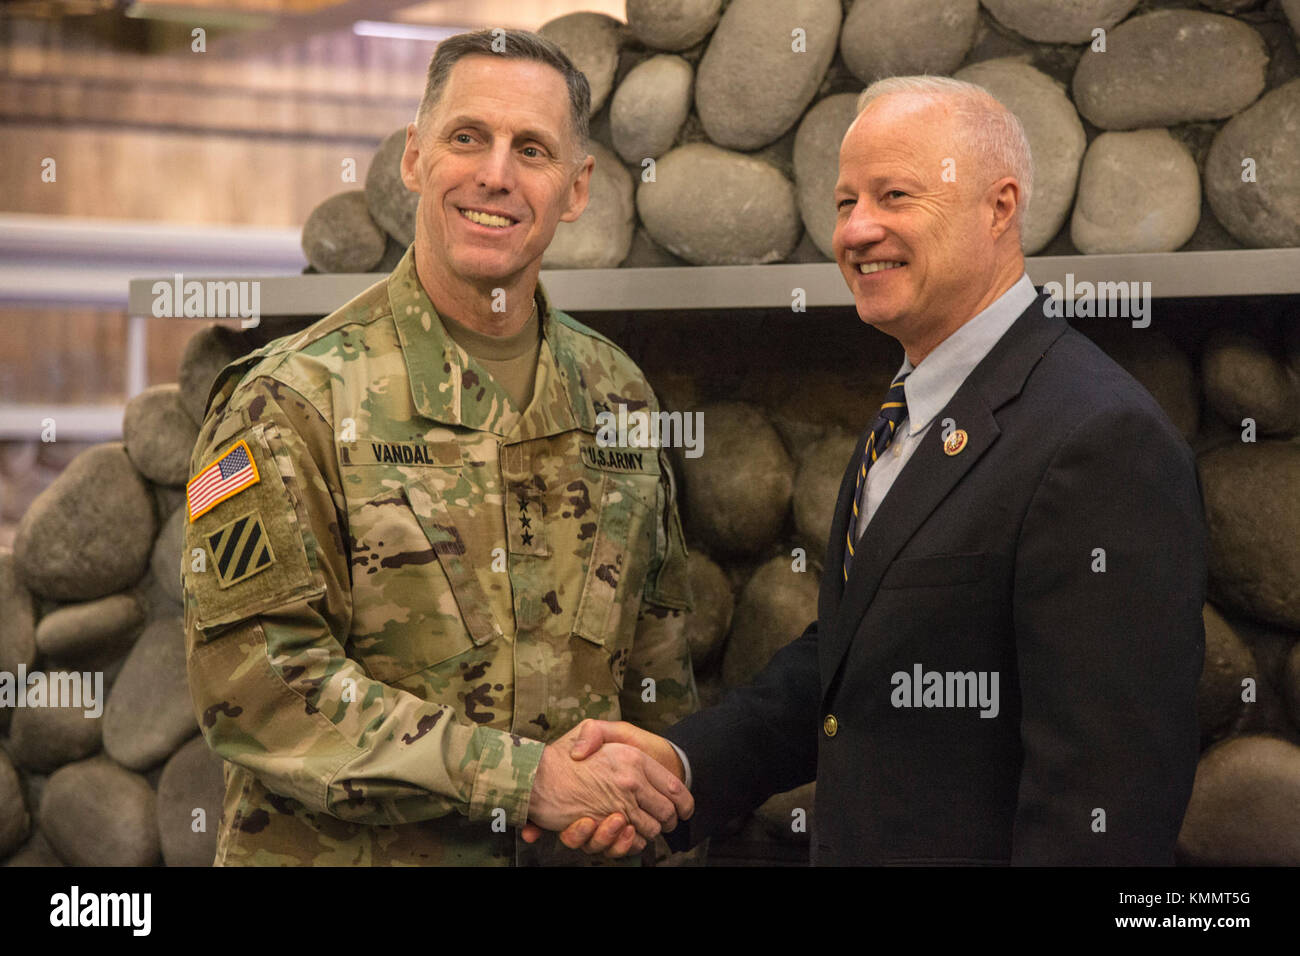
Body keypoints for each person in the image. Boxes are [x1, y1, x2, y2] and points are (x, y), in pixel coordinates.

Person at [534, 75, 1207, 865]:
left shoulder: (1099, 439)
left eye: (894, 195)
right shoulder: (912, 407)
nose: (857, 230)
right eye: (846, 202)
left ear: (1000, 207)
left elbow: (1107, 806)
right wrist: (679, 767)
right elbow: (858, 664)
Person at [180, 28, 697, 867]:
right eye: (468, 137)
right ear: (415, 159)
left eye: (531, 149)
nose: (496, 173)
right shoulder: (288, 400)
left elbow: (660, 676)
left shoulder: (618, 396)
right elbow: (260, 689)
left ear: (576, 189)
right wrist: (524, 780)